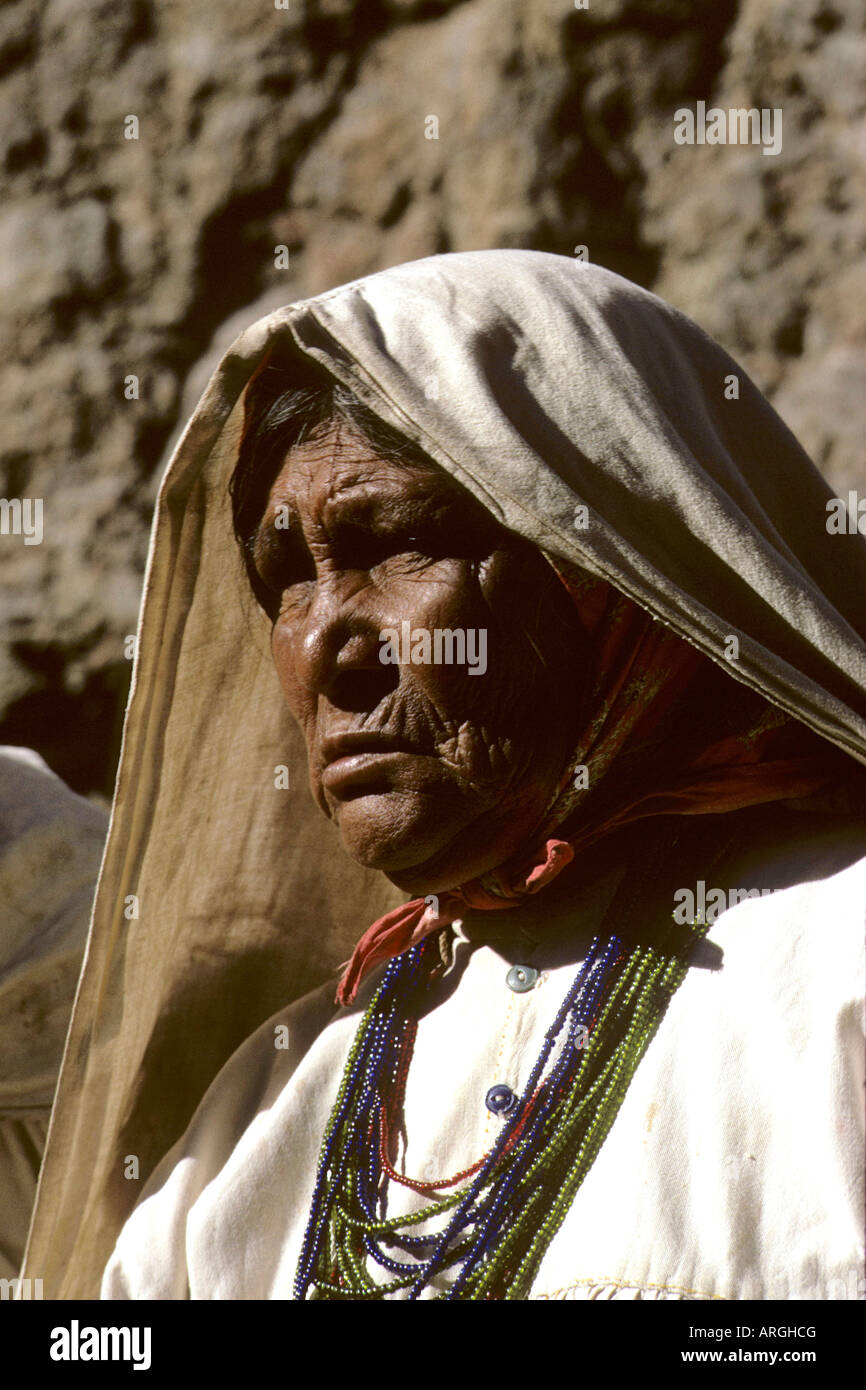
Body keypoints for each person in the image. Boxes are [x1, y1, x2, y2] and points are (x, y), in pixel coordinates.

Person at [21, 250, 866, 1300]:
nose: (327, 643)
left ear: (612, 571)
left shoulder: (834, 975)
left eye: (399, 544)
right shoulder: (270, 1115)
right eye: (285, 578)